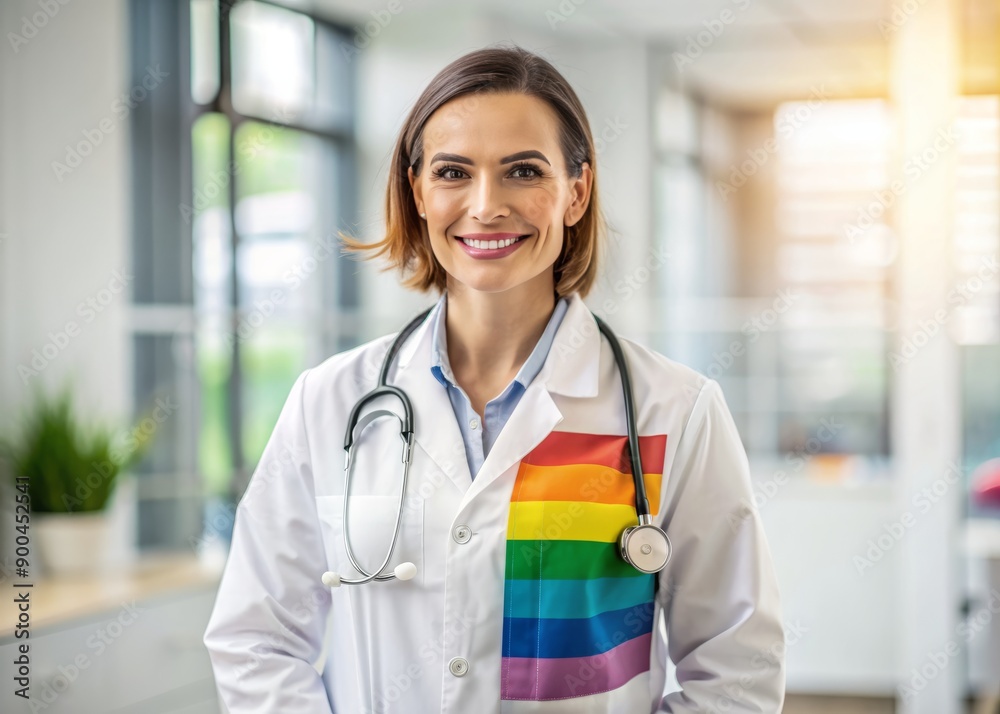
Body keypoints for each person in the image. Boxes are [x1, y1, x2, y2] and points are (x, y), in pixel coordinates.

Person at [203, 44, 786, 713]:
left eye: (523, 171)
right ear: (418, 193)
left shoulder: (674, 410)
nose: (485, 206)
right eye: (453, 172)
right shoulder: (330, 401)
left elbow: (737, 668)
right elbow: (257, 639)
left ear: (576, 193)